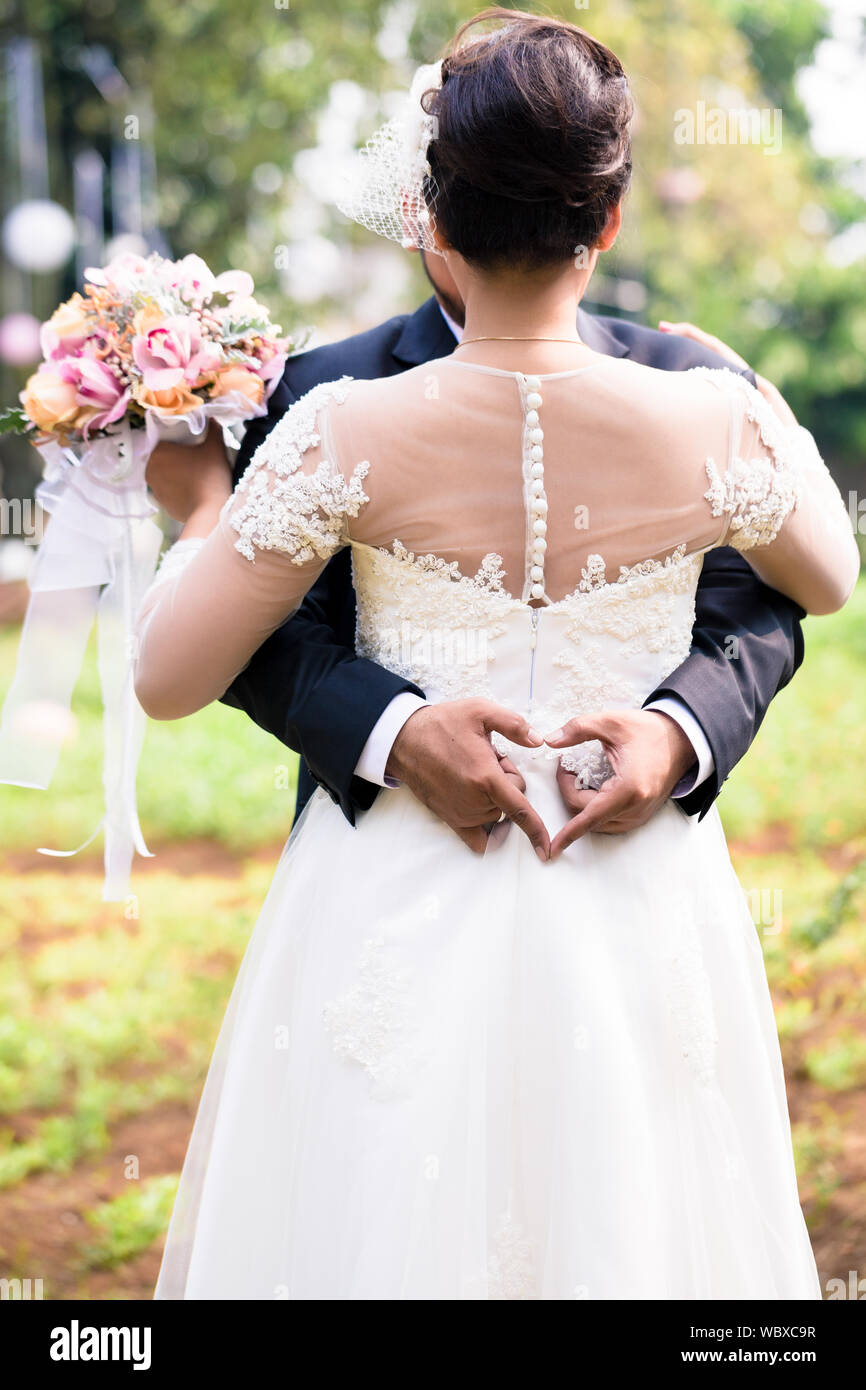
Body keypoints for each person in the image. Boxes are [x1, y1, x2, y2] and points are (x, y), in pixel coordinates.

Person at [137, 10, 859, 1299]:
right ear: (611, 219)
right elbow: (828, 580)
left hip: (393, 905)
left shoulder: (341, 433)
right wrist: (760, 404)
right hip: (640, 901)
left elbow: (165, 679)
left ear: (430, 214)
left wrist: (198, 505)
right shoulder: (713, 416)